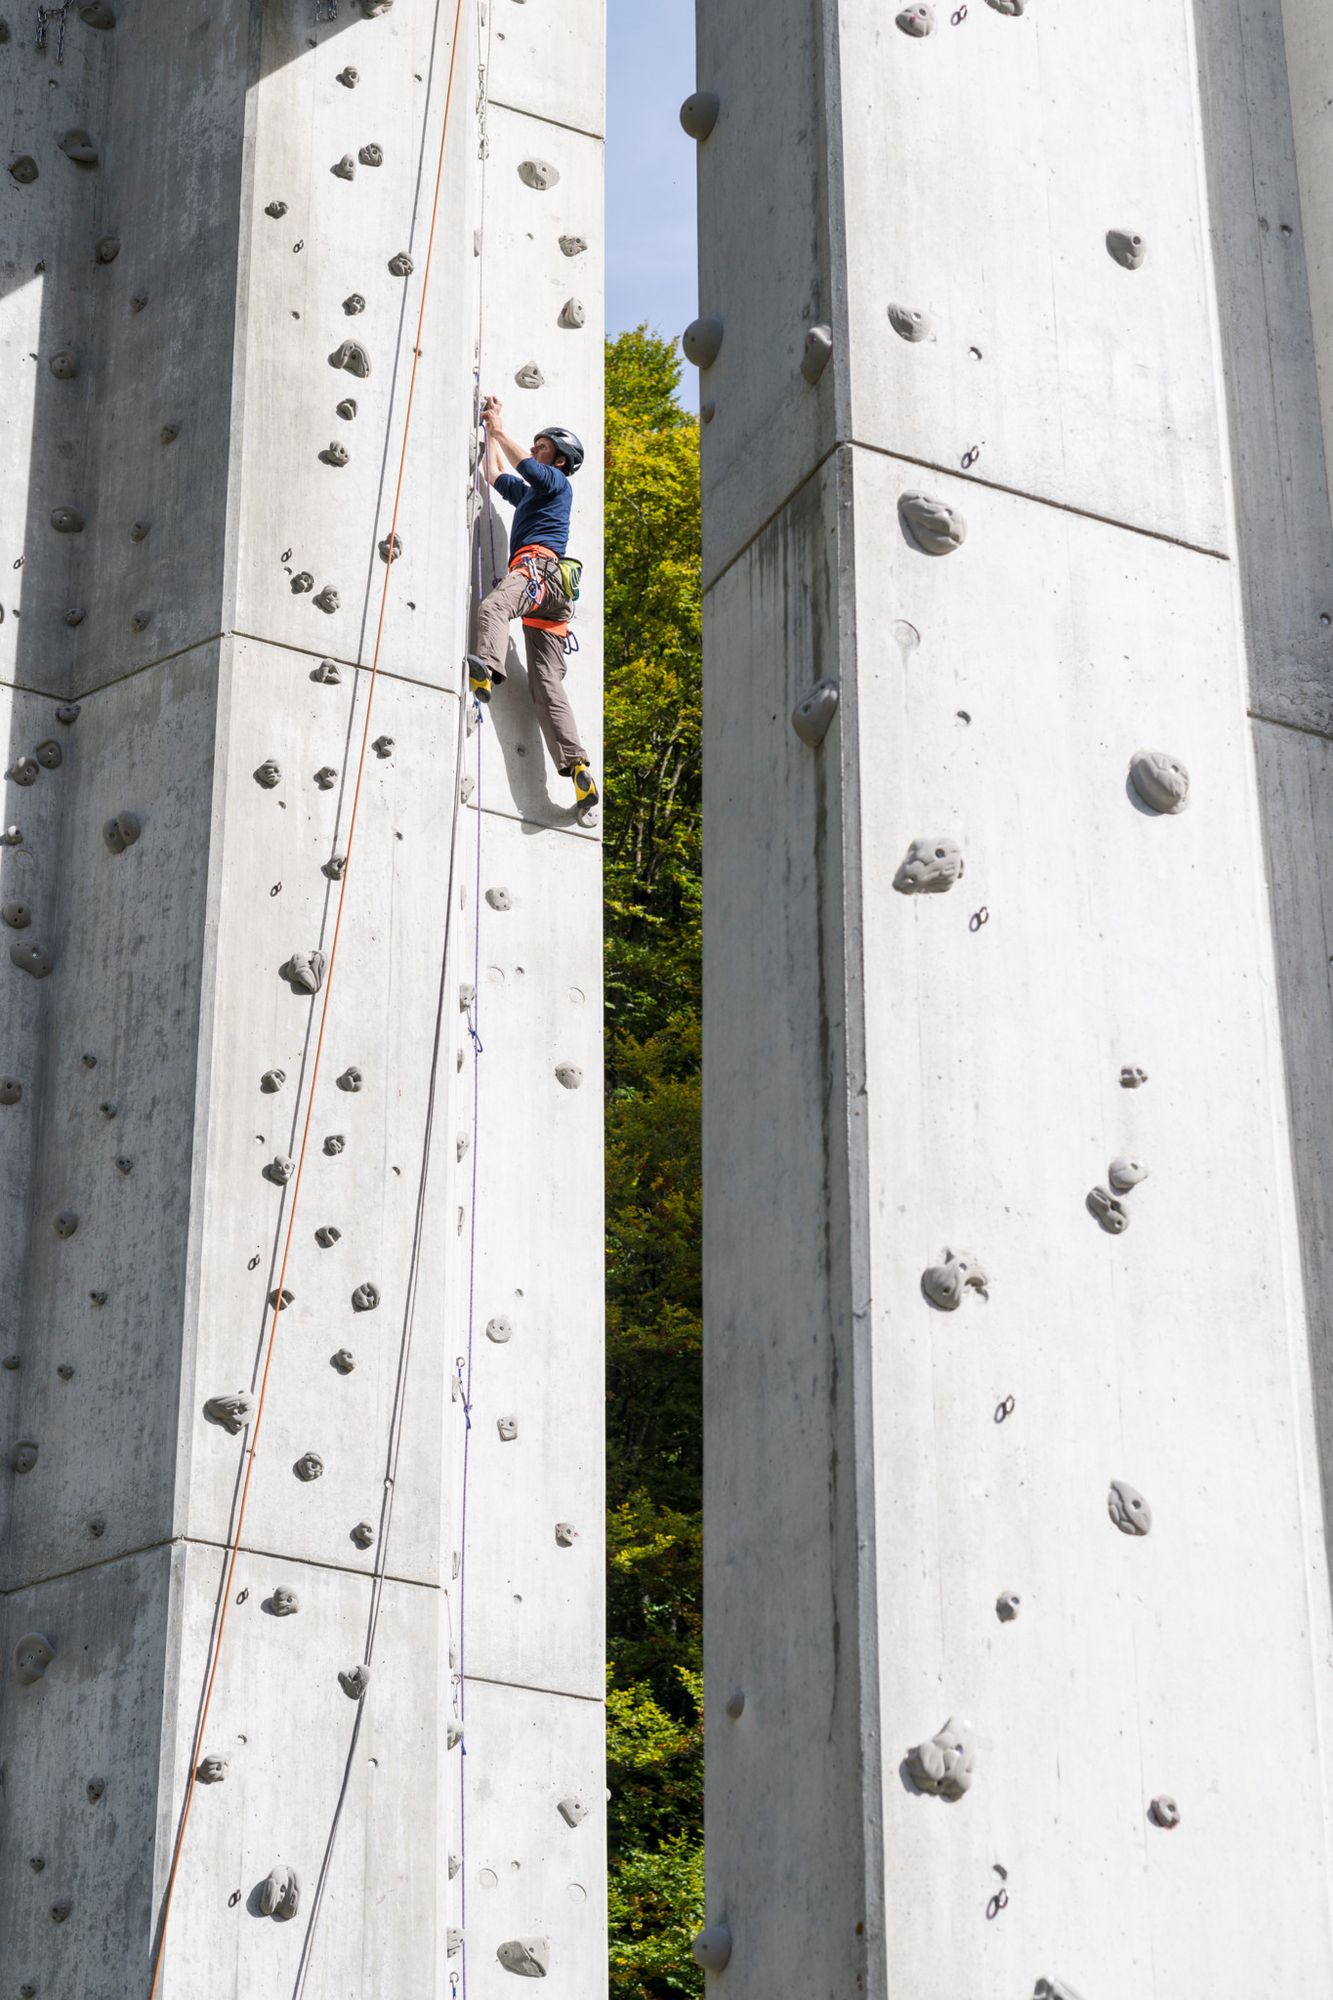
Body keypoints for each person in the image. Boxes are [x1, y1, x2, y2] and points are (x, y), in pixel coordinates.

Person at [467, 397, 598, 810]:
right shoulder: (530, 497)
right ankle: (578, 768)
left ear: (559, 461)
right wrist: (489, 432)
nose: (534, 450)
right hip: (554, 599)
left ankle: (487, 671)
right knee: (546, 685)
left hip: (540, 572)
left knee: (493, 608)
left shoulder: (558, 484)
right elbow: (494, 474)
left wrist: (501, 427)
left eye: (542, 447)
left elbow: (524, 465)